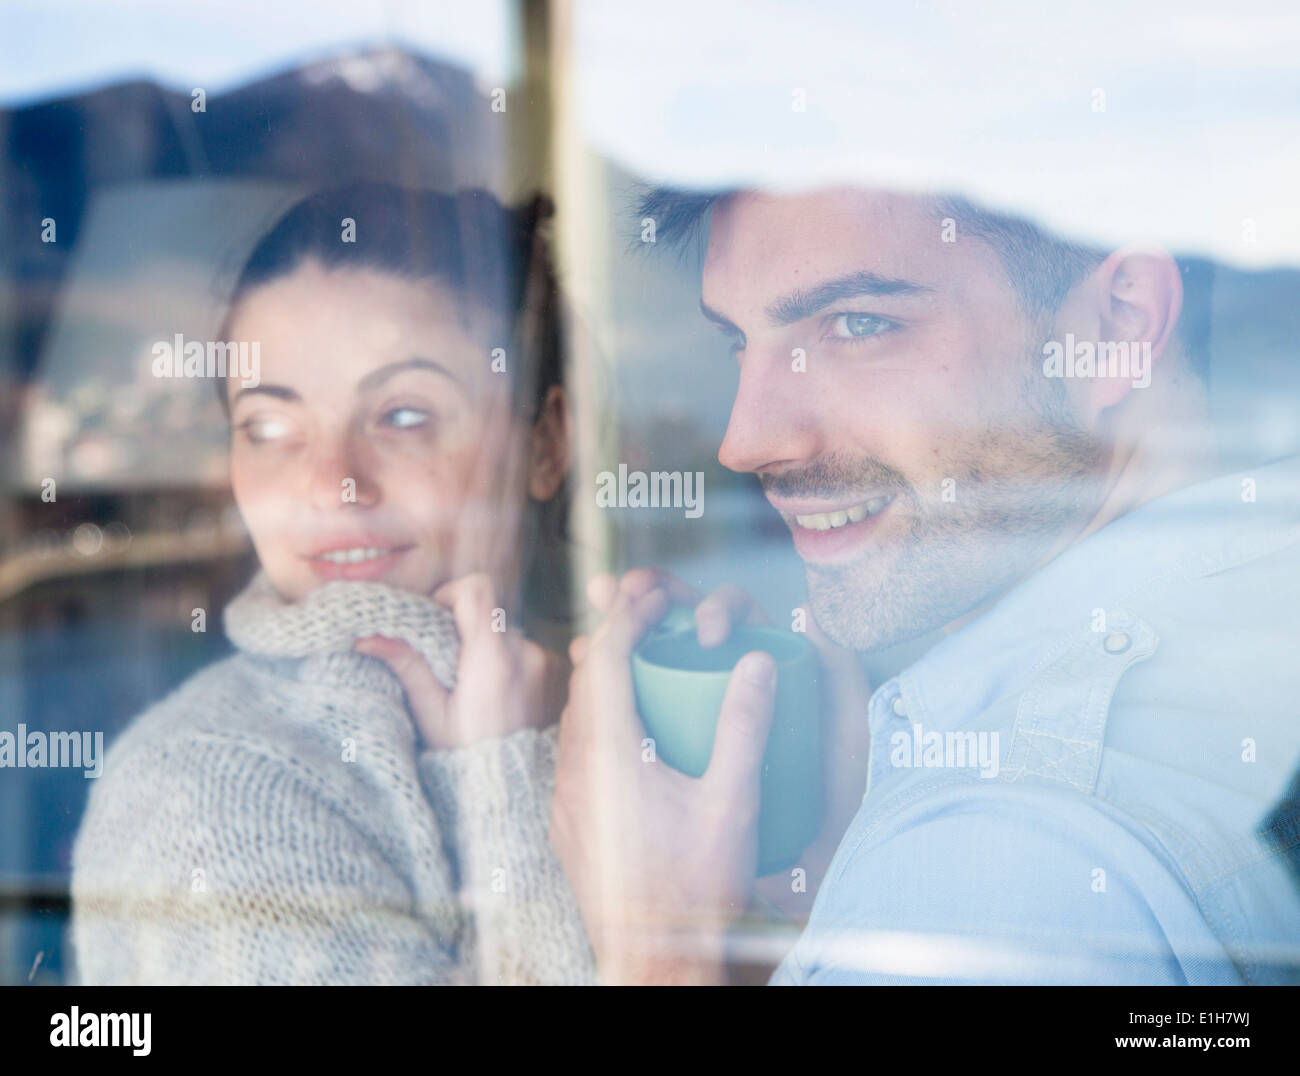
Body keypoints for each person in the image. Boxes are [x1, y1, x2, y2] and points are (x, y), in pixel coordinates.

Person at [551, 185, 1300, 985]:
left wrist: (661, 954)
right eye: (740, 341)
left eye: (858, 324)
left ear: (1119, 324)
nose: (745, 439)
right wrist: (849, 881)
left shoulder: (1005, 860)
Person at [71, 183, 597, 985]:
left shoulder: (614, 704)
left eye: (404, 416)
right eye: (270, 429)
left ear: (546, 443)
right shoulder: (201, 785)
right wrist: (503, 779)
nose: (334, 485)